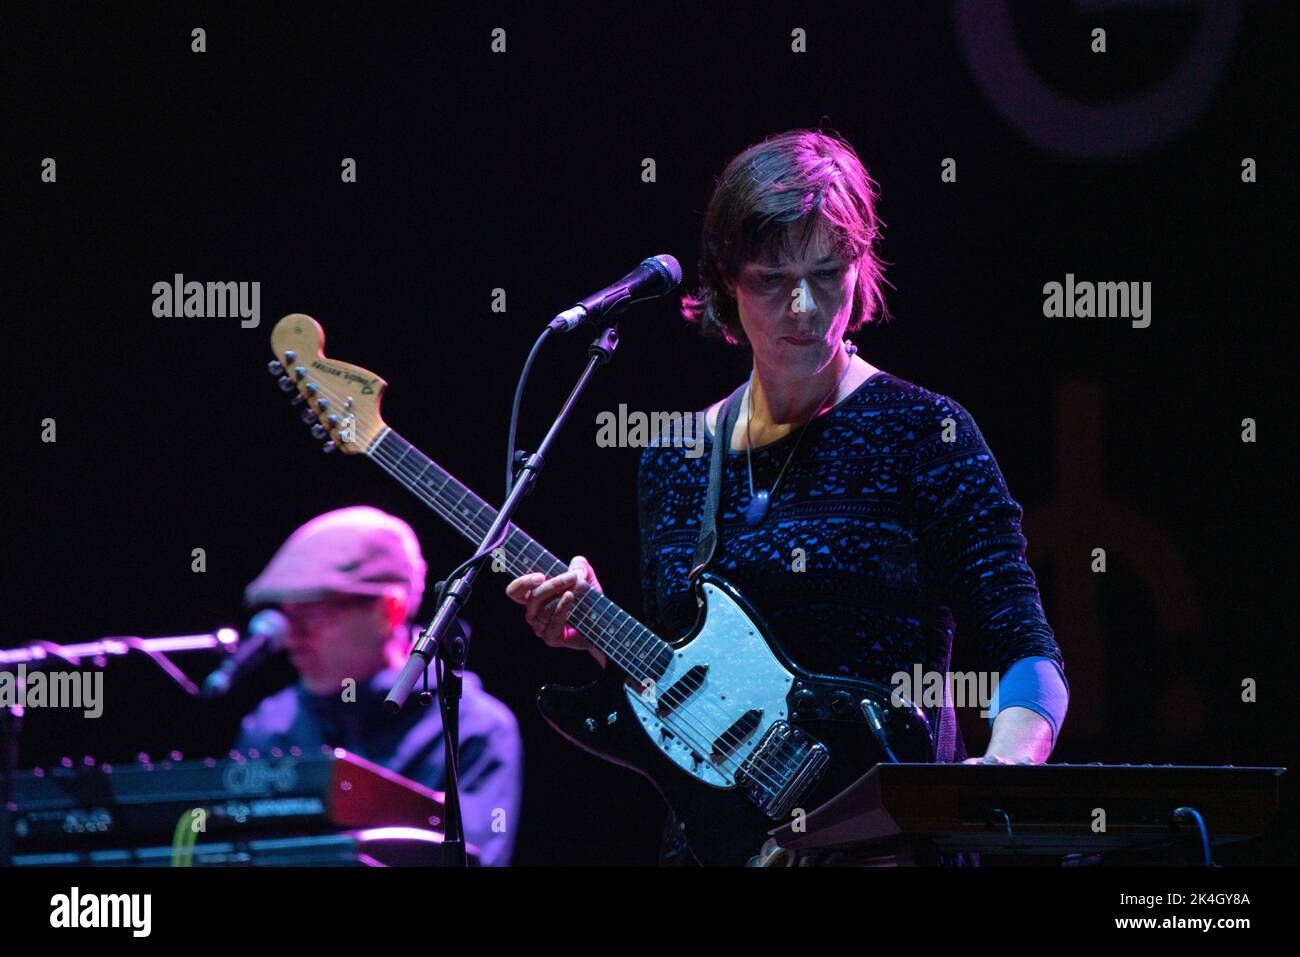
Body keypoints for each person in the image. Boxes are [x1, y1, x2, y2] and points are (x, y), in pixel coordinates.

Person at [506, 128, 1068, 865]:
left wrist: (1004, 769)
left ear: (861, 271)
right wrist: (597, 636)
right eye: (771, 278)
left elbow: (1027, 649)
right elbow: (686, 701)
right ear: (723, 284)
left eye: (828, 271)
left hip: (889, 845)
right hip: (724, 847)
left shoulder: (926, 431)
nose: (804, 306)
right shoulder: (675, 456)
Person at [237, 505, 523, 866]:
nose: (292, 637)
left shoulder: (475, 728)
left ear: (389, 611)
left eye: (312, 613)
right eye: (286, 615)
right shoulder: (270, 723)